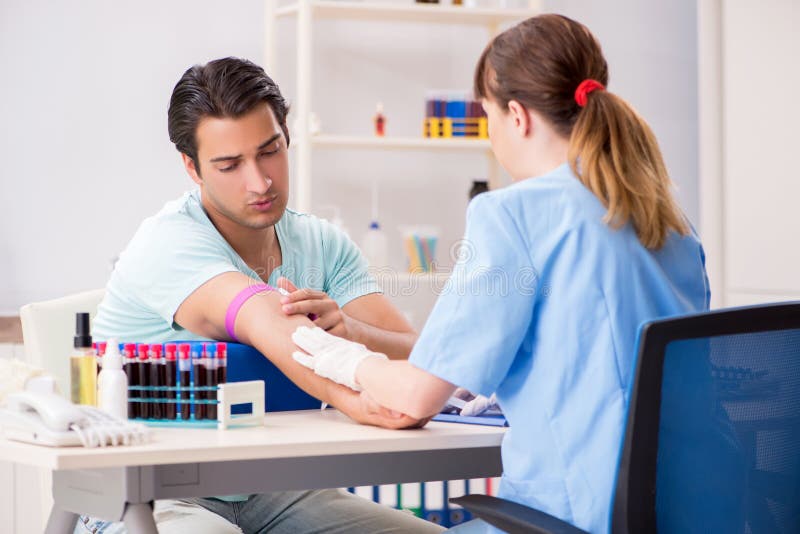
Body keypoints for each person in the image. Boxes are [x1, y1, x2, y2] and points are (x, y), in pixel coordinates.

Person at [291, 14, 710, 534]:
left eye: (486, 115)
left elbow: (414, 397)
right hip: (687, 514)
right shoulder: (667, 219)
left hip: (574, 518)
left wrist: (341, 358)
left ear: (517, 115)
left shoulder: (513, 215)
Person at [82, 57, 441, 533]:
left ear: (287, 136)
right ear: (192, 168)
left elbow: (419, 353)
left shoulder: (321, 242)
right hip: (154, 496)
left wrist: (352, 331)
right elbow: (264, 318)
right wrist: (353, 396)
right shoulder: (167, 241)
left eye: (269, 151)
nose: (260, 182)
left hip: (276, 490)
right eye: (229, 165)